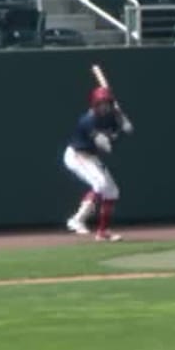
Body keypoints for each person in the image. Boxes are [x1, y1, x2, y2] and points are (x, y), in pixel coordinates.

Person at [63, 85, 133, 242]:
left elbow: (116, 134)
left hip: (91, 157)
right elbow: (105, 145)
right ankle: (76, 219)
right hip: (76, 156)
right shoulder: (87, 120)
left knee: (112, 191)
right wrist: (120, 132)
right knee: (100, 184)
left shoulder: (112, 116)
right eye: (100, 104)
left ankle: (103, 232)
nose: (104, 107)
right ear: (94, 104)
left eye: (107, 103)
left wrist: (124, 125)